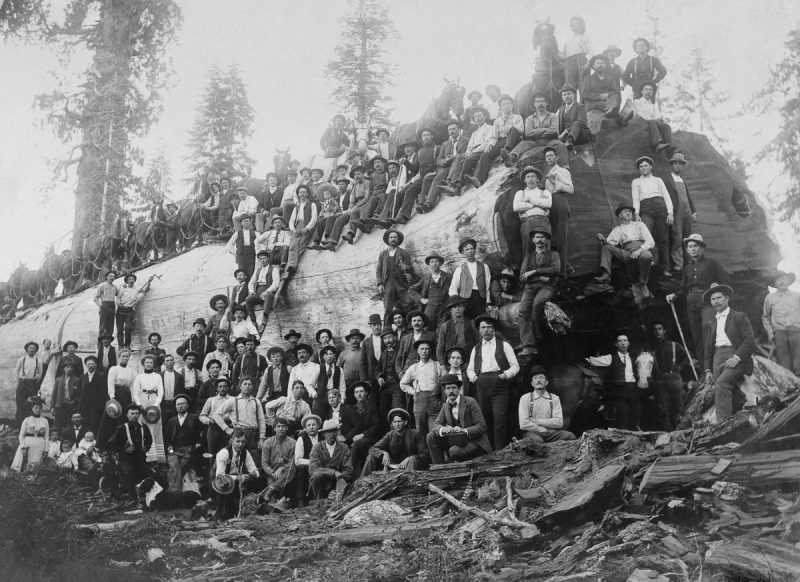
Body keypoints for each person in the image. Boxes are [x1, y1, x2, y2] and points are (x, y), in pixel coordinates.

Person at [666, 233, 727, 367]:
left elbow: (724, 279)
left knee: (708, 329)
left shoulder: (712, 263)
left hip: (707, 300)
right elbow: (683, 288)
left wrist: (717, 286)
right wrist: (674, 296)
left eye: (695, 246)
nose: (693, 249)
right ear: (687, 250)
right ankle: (704, 373)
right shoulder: (687, 268)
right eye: (690, 247)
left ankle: (716, 366)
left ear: (702, 248)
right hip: (691, 302)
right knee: (696, 336)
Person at [467, 314, 520, 449]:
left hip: (499, 383)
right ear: (479, 330)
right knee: (484, 419)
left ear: (494, 329)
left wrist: (504, 375)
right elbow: (470, 369)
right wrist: (475, 379)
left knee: (499, 418)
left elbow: (515, 365)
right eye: (483, 327)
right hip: (482, 384)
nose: (486, 330)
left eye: (489, 327)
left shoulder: (504, 345)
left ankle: (499, 450)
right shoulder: (476, 348)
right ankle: (487, 451)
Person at [703, 284, 755, 421]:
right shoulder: (712, 323)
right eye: (713, 299)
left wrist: (737, 357)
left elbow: (749, 341)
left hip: (735, 354)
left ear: (726, 299)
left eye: (719, 297)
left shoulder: (739, 317)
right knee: (719, 386)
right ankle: (738, 417)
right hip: (717, 357)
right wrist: (707, 369)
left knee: (722, 383)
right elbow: (708, 348)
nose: (716, 301)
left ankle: (723, 423)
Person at [427, 374, 492, 464]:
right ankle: (439, 468)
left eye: (454, 388)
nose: (451, 391)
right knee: (431, 437)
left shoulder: (470, 402)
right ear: (445, 390)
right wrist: (444, 429)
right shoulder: (446, 405)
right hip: (457, 441)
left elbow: (482, 426)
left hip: (474, 441)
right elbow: (435, 425)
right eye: (448, 388)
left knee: (454, 451)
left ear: (459, 389)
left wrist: (464, 430)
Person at [518, 230, 561, 357]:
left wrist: (535, 272)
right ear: (533, 240)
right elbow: (522, 276)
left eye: (543, 237)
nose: (540, 240)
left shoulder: (554, 255)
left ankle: (540, 338)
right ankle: (529, 345)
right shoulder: (528, 257)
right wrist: (542, 275)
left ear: (546, 240)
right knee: (522, 311)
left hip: (547, 286)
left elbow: (556, 270)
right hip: (530, 287)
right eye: (537, 237)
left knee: (537, 305)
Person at [586, 334, 642, 430]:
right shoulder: (610, 357)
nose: (623, 343)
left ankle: (635, 435)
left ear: (628, 343)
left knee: (635, 412)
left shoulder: (633, 359)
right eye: (620, 341)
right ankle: (623, 436)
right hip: (619, 390)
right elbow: (592, 361)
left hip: (632, 388)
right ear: (616, 344)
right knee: (622, 414)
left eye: (625, 340)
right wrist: (587, 359)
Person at [594, 202, 655, 287]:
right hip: (627, 253)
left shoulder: (640, 225)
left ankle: (643, 277)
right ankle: (606, 275)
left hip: (641, 250)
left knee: (647, 256)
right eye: (625, 211)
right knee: (606, 246)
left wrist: (639, 251)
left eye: (630, 211)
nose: (628, 213)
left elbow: (650, 241)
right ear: (620, 215)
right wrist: (602, 239)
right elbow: (610, 242)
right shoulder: (618, 229)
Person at [632, 155, 673, 275]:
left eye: (645, 166)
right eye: (641, 166)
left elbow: (666, 196)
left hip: (661, 208)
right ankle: (651, 261)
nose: (643, 168)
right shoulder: (636, 182)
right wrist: (636, 214)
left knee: (663, 238)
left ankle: (665, 268)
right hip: (646, 209)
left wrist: (670, 213)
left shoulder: (658, 180)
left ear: (650, 167)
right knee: (646, 236)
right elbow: (635, 199)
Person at [212, 376, 266, 465]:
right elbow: (216, 414)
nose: (247, 386)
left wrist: (261, 438)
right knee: (233, 459)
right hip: (238, 434)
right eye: (245, 384)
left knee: (254, 461)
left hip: (253, 435)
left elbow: (261, 420)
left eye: (249, 384)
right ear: (240, 386)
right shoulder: (233, 401)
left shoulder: (256, 401)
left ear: (252, 387)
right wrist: (226, 428)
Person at [362, 407, 430, 476]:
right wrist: (384, 453)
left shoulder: (415, 434)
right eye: (394, 422)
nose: (397, 424)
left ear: (405, 422)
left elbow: (425, 455)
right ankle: (362, 482)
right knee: (371, 457)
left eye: (399, 421)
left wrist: (409, 458)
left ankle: (408, 484)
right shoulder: (390, 435)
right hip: (393, 468)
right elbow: (372, 449)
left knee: (412, 459)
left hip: (411, 467)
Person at [518, 366, 576, 442]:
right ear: (532, 383)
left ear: (546, 382)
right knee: (538, 441)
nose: (538, 380)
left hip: (550, 433)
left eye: (541, 377)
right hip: (532, 432)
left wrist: (535, 421)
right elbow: (523, 424)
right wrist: (540, 429)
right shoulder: (525, 398)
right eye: (535, 378)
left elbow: (559, 423)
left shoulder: (555, 399)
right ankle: (520, 443)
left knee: (570, 436)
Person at [507, 93, 566, 166]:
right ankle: (511, 157)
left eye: (542, 101)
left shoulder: (553, 116)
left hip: (550, 141)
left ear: (546, 103)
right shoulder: (530, 118)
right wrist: (545, 130)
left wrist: (536, 131)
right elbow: (528, 133)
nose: (540, 103)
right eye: (537, 101)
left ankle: (565, 167)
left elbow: (554, 131)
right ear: (534, 104)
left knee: (561, 145)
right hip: (534, 142)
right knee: (523, 144)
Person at [400, 339, 444, 435]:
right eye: (422, 349)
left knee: (435, 429)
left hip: (435, 400)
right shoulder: (414, 367)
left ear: (431, 351)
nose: (424, 351)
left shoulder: (437, 365)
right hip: (419, 401)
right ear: (417, 351)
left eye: (427, 349)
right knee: (420, 430)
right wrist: (414, 392)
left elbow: (444, 382)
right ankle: (422, 450)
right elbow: (403, 384)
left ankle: (433, 449)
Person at [214, 428, 260, 521]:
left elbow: (253, 469)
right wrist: (238, 478)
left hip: (237, 479)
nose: (240, 444)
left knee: (255, 483)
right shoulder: (224, 453)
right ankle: (220, 518)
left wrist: (253, 474)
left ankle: (241, 515)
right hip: (221, 481)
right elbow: (219, 475)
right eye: (237, 441)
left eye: (243, 442)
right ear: (232, 441)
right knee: (224, 496)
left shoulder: (245, 452)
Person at [662, 152, 696, 274]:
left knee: (687, 237)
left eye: (679, 164)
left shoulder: (683, 180)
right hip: (676, 210)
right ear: (672, 165)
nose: (677, 166)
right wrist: (669, 212)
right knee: (677, 237)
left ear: (682, 166)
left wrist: (693, 211)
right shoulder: (667, 179)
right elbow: (665, 196)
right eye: (675, 163)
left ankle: (689, 263)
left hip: (687, 211)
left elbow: (688, 196)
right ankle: (678, 266)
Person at [651, 321, 688, 431]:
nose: (657, 331)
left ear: (664, 331)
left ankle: (682, 430)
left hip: (674, 378)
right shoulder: (653, 348)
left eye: (660, 329)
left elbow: (687, 358)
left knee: (679, 406)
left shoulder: (674, 345)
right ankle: (669, 432)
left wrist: (679, 368)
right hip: (660, 380)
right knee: (664, 408)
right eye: (655, 330)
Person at [111, 404, 153, 500]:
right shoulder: (121, 428)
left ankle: (144, 497)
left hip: (140, 458)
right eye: (132, 413)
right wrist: (125, 450)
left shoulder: (144, 427)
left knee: (146, 474)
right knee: (129, 473)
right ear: (127, 415)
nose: (134, 416)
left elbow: (149, 440)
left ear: (139, 415)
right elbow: (114, 444)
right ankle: (132, 497)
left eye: (136, 413)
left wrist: (146, 447)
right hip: (126, 459)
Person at [544, 146, 574, 274]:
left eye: (551, 155)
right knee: (553, 239)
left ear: (557, 157)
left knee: (561, 240)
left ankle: (562, 275)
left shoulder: (562, 171)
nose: (549, 158)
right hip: (550, 204)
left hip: (559, 202)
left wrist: (555, 181)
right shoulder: (548, 172)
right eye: (547, 156)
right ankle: (563, 268)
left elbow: (571, 189)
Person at [762, 271, 800, 375]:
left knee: (798, 362)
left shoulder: (797, 296)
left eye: (784, 278)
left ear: (788, 281)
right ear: (774, 283)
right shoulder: (769, 298)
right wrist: (770, 333)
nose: (781, 281)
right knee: (784, 365)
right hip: (779, 334)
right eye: (778, 280)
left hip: (796, 332)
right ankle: (789, 387)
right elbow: (765, 318)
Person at [375, 229, 416, 322]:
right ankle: (386, 331)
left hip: (401, 284)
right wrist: (380, 284)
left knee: (409, 302)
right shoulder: (383, 254)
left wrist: (406, 267)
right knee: (388, 308)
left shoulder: (403, 253)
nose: (393, 239)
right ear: (388, 240)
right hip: (388, 284)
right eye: (391, 237)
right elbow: (379, 270)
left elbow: (410, 268)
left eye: (395, 237)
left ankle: (408, 326)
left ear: (398, 240)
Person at [308, 419, 353, 501]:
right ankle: (318, 502)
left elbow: (348, 471)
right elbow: (313, 469)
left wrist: (339, 477)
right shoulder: (317, 448)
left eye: (334, 431)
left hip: (338, 483)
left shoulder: (344, 448)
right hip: (321, 484)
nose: (332, 434)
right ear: (324, 434)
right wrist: (333, 473)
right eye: (329, 432)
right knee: (317, 476)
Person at [164, 393, 202, 491]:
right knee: (173, 465)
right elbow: (167, 438)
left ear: (187, 405)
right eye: (178, 404)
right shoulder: (171, 421)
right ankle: (175, 492)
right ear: (176, 407)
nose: (181, 406)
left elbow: (203, 432)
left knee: (181, 465)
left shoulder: (194, 418)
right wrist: (169, 446)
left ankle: (174, 491)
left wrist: (199, 443)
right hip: (175, 450)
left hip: (190, 449)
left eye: (183, 404)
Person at [343, 381, 381, 476]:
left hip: (371, 437)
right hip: (356, 438)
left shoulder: (372, 406)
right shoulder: (352, 408)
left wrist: (363, 434)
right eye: (357, 392)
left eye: (361, 391)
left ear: (366, 393)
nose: (359, 394)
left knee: (357, 444)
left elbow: (377, 426)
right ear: (354, 395)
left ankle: (349, 473)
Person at [448, 237, 492, 320]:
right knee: (466, 322)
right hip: (465, 301)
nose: (470, 251)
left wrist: (488, 301)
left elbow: (488, 286)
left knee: (480, 320)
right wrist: (457, 303)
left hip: (480, 299)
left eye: (471, 248)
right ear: (463, 252)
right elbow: (453, 288)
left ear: (475, 250)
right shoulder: (460, 269)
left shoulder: (484, 266)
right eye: (467, 249)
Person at [132, 354, 165, 463]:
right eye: (147, 362)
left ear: (154, 364)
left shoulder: (157, 376)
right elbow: (135, 392)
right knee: (143, 425)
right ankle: (144, 453)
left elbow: (161, 392)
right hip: (143, 401)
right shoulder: (139, 377)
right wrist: (139, 404)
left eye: (151, 362)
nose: (149, 364)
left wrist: (156, 405)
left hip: (154, 401)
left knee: (155, 425)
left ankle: (156, 456)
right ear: (143, 364)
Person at [513, 166, 552, 259]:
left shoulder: (545, 192)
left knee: (545, 250)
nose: (530, 179)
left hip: (543, 222)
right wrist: (535, 204)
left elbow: (548, 204)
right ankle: (527, 273)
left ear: (537, 179)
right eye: (528, 177)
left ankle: (545, 273)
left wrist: (530, 199)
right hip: (527, 222)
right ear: (525, 180)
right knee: (527, 250)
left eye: (533, 176)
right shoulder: (520, 193)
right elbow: (516, 207)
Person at [259, 417, 297, 507]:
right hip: (271, 472)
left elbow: (292, 462)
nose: (281, 429)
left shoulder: (293, 443)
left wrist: (282, 468)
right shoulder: (268, 443)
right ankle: (273, 502)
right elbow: (264, 463)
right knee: (271, 499)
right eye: (278, 426)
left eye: (283, 426)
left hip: (286, 472)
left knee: (292, 468)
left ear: (287, 428)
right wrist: (273, 472)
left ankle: (271, 488)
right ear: (274, 428)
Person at [457, 107, 494, 189]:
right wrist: (468, 152)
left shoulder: (490, 128)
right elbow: (469, 146)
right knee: (462, 158)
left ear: (485, 116)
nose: (478, 118)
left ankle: (463, 182)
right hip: (474, 151)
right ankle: (457, 184)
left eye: (480, 115)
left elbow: (487, 142)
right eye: (476, 117)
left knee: (469, 159)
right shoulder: (474, 133)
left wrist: (473, 151)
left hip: (483, 149)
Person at [633, 81, 674, 155]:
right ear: (642, 91)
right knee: (652, 121)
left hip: (652, 123)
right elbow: (640, 114)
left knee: (666, 126)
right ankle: (657, 144)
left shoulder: (653, 105)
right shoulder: (637, 102)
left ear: (652, 93)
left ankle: (670, 148)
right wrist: (652, 119)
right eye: (646, 89)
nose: (648, 91)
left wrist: (656, 119)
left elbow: (658, 116)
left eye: (650, 90)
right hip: (641, 122)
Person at [115, 273, 155, 348]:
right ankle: (120, 345)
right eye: (129, 279)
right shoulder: (123, 289)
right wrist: (119, 304)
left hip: (129, 311)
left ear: (134, 281)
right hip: (120, 310)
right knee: (120, 329)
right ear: (126, 281)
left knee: (128, 328)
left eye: (132, 279)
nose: (131, 280)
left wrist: (149, 281)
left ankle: (127, 345)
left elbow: (145, 289)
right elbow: (118, 298)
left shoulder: (136, 289)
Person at [286, 184, 318, 276]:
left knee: (301, 245)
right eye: (300, 192)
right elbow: (291, 220)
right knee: (292, 245)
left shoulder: (312, 205)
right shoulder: (296, 207)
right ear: (298, 194)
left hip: (307, 225)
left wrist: (307, 228)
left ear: (307, 194)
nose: (302, 194)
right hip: (298, 226)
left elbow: (314, 218)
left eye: (304, 192)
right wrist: (293, 229)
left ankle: (292, 266)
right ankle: (291, 266)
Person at [245, 250, 280, 333]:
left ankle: (265, 318)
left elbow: (276, 283)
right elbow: (251, 282)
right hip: (258, 293)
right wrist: (252, 291)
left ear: (268, 259)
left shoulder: (274, 269)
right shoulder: (257, 270)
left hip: (269, 292)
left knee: (267, 297)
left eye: (264, 258)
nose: (262, 260)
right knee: (248, 299)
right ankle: (253, 320)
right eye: (260, 259)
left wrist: (267, 291)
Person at [436, 296, 477, 367]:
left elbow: (478, 344)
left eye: (460, 306)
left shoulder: (472, 324)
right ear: (450, 310)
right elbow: (440, 348)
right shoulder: (445, 326)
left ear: (464, 308)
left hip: (469, 362)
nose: (457, 309)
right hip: (450, 364)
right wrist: (443, 366)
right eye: (454, 307)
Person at [375, 326, 403, 429]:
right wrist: (379, 378)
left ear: (395, 337)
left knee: (397, 411)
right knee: (384, 412)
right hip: (385, 387)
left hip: (397, 386)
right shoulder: (384, 354)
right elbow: (377, 369)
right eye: (385, 338)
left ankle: (398, 433)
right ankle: (388, 436)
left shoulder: (400, 350)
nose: (388, 340)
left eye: (390, 337)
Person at [11, 396, 49, 471]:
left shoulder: (45, 421)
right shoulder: (27, 420)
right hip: (28, 443)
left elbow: (46, 436)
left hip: (40, 444)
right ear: (32, 408)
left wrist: (46, 449)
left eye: (40, 408)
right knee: (23, 465)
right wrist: (23, 446)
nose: (38, 410)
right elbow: (21, 435)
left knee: (37, 468)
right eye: (36, 408)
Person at [414, 253, 452, 326]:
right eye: (432, 262)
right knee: (427, 328)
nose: (434, 264)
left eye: (436, 261)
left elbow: (454, 291)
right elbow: (411, 290)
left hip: (444, 309)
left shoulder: (448, 277)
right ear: (429, 264)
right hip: (429, 309)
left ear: (440, 263)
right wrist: (421, 299)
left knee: (442, 330)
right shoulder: (426, 278)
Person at [199, 377, 234, 457]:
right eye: (220, 386)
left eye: (225, 386)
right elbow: (202, 415)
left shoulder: (233, 400)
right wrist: (209, 421)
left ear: (228, 387)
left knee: (227, 454)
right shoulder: (211, 400)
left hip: (228, 429)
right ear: (217, 388)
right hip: (213, 429)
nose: (222, 389)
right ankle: (213, 469)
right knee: (212, 454)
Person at [395, 310, 436, 378]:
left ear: (423, 323)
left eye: (419, 321)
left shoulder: (431, 336)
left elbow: (435, 354)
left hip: (426, 371)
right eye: (414, 321)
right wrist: (399, 371)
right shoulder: (405, 338)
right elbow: (399, 357)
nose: (416, 323)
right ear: (411, 323)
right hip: (408, 371)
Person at [293, 414, 323, 506]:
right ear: (305, 428)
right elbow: (297, 460)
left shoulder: (323, 438)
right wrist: (312, 463)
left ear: (318, 426)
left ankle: (319, 498)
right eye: (309, 425)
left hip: (322, 466)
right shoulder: (301, 439)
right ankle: (301, 499)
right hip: (307, 466)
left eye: (314, 425)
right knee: (301, 468)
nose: (311, 427)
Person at [581, 53, 620, 119]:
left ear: (605, 65)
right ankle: (611, 111)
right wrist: (599, 96)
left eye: (602, 63)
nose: (600, 65)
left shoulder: (610, 78)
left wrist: (607, 94)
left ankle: (610, 111)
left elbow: (615, 91)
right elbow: (585, 94)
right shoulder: (588, 79)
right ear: (593, 66)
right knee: (608, 105)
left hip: (608, 102)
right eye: (598, 63)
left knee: (615, 97)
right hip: (593, 103)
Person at [15, 341, 43, 426]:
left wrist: (34, 383)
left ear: (36, 350)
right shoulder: (21, 359)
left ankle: (30, 425)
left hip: (33, 384)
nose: (32, 349)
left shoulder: (38, 360)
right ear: (27, 349)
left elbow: (40, 373)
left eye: (34, 348)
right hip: (22, 383)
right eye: (30, 348)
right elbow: (17, 371)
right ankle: (19, 425)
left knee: (32, 405)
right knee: (20, 405)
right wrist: (20, 381)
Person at [311, 179, 345, 249]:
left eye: (328, 194)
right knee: (320, 222)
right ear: (323, 196)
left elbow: (337, 206)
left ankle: (328, 237)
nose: (327, 195)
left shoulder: (333, 200)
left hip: (333, 213)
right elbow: (322, 210)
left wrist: (333, 209)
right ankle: (316, 242)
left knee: (329, 219)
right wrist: (320, 215)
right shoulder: (324, 203)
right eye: (325, 194)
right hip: (326, 215)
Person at [78, 355, 107, 433]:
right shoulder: (82, 377)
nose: (90, 366)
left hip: (96, 407)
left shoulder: (102, 376)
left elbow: (103, 392)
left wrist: (100, 405)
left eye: (92, 364)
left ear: (96, 365)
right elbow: (80, 392)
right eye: (89, 364)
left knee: (95, 425)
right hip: (85, 407)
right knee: (85, 425)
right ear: (86, 365)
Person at [225, 214, 258, 281]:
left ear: (250, 222)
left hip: (251, 254)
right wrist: (235, 253)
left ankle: (250, 288)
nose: (246, 223)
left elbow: (261, 242)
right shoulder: (237, 233)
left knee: (251, 271)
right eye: (244, 221)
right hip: (241, 254)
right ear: (241, 223)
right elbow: (229, 244)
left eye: (248, 221)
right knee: (242, 271)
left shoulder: (255, 233)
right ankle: (242, 287)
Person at [556, 84, 589, 149]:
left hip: (580, 135)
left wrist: (566, 131)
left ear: (574, 95)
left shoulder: (580, 107)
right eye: (564, 95)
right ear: (562, 97)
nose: (567, 96)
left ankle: (569, 141)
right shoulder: (561, 109)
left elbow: (582, 122)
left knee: (577, 123)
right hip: (565, 136)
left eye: (569, 94)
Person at [563, 16, 591, 88]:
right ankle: (572, 99)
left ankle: (583, 99)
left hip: (581, 60)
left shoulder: (584, 37)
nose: (574, 25)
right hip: (569, 62)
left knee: (583, 84)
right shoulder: (567, 40)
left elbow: (590, 51)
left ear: (581, 25)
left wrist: (588, 63)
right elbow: (563, 54)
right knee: (570, 85)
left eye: (576, 23)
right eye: (572, 23)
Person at [51, 361, 80, 431]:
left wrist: (74, 402)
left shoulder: (76, 380)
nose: (69, 369)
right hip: (60, 406)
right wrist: (52, 407)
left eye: (71, 367)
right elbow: (54, 394)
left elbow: (78, 394)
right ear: (64, 368)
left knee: (68, 425)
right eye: (67, 367)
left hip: (70, 406)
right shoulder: (59, 379)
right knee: (57, 425)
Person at [359, 314, 384, 383]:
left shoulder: (386, 339)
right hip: (371, 378)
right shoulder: (366, 342)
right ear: (370, 326)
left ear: (381, 325)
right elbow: (362, 362)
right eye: (374, 325)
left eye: (378, 324)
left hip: (385, 376)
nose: (376, 327)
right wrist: (364, 380)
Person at [94, 270, 119, 339]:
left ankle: (108, 345)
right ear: (106, 277)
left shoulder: (115, 287)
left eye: (113, 277)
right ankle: (100, 347)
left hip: (112, 306)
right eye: (110, 276)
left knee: (110, 326)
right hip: (104, 305)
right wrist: (101, 306)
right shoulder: (102, 286)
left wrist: (125, 288)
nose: (112, 278)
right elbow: (96, 298)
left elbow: (119, 295)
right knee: (102, 326)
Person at [160, 353, 184, 419]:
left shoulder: (179, 377)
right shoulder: (159, 376)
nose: (169, 362)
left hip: (174, 405)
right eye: (167, 361)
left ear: (174, 362)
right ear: (164, 363)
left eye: (171, 360)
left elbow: (182, 392)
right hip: (163, 405)